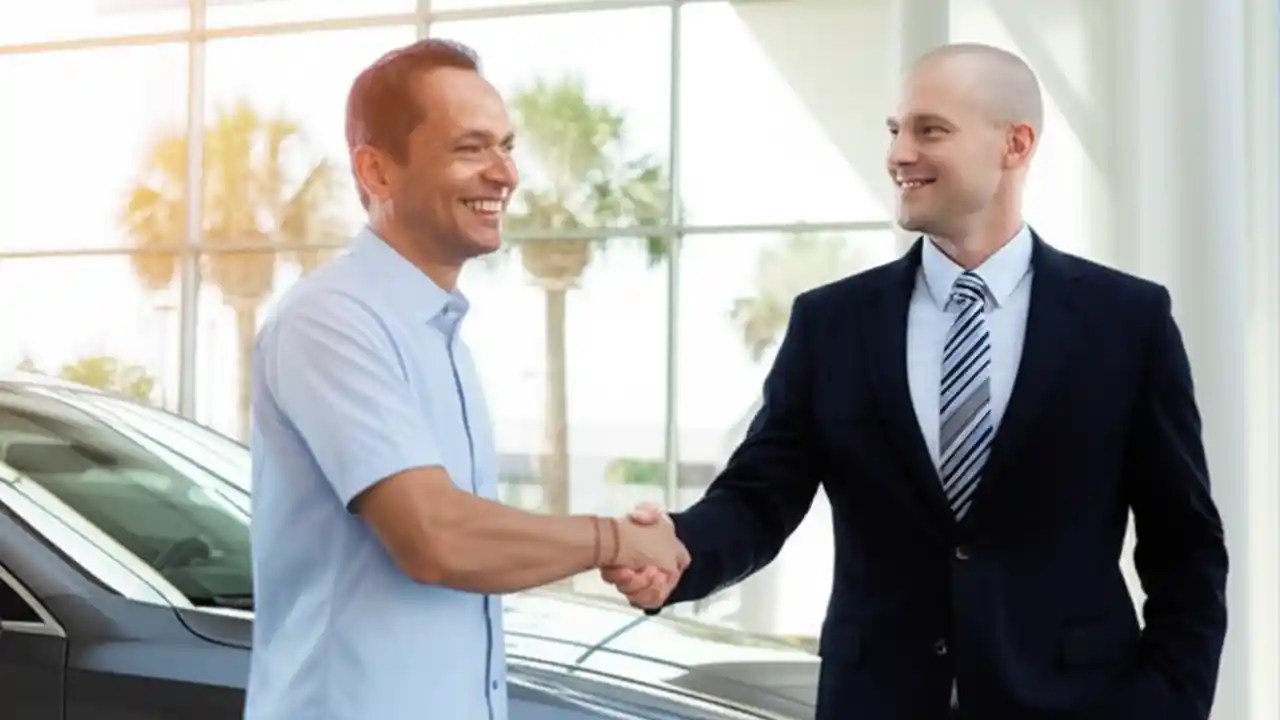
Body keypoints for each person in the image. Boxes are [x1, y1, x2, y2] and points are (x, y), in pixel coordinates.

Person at [603, 42, 1228, 720]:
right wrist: (677, 551)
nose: (900, 153)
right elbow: (760, 497)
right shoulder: (832, 323)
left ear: (1015, 144)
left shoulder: (1126, 322)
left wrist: (1168, 705)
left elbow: (1184, 545)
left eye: (930, 130)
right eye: (895, 130)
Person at [242, 38, 688, 720]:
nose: (505, 173)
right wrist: (616, 539)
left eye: (507, 146)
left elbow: (475, 544)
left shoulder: (440, 337)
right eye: (471, 148)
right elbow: (438, 538)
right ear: (377, 171)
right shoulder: (329, 321)